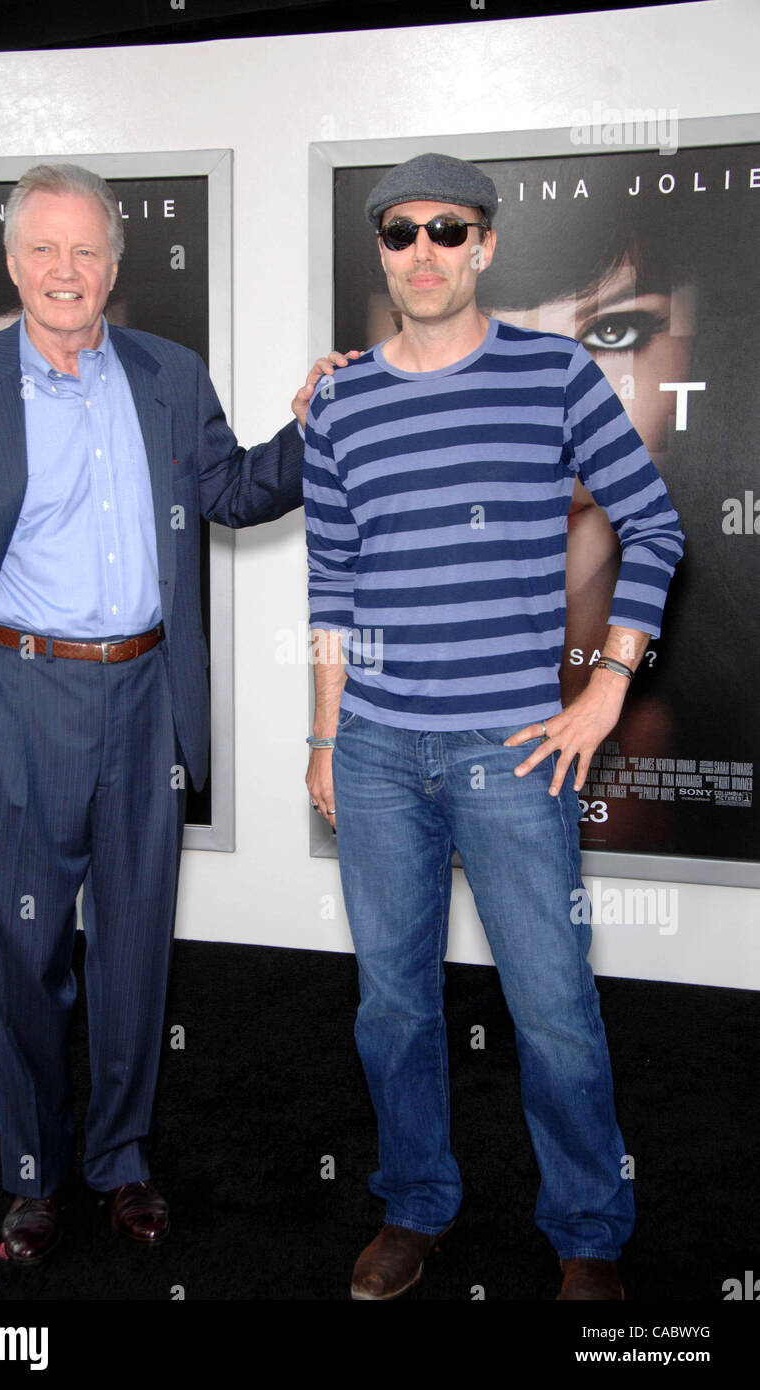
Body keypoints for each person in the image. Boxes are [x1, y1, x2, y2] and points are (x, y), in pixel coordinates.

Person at [0, 161, 352, 1264]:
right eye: (43, 250)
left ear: (115, 265)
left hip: (145, 697)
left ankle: (122, 1161)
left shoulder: (165, 373)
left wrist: (313, 423)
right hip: (13, 698)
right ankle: (30, 1176)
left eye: (86, 251)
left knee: (135, 952)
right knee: (21, 955)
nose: (66, 271)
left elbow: (233, 493)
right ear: (13, 264)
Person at [304, 153, 684, 1300]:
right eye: (401, 231)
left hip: (515, 751)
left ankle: (585, 1232)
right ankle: (414, 1203)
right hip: (372, 751)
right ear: (380, 250)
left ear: (484, 245)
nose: (424, 249)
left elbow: (653, 530)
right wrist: (325, 737)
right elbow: (332, 588)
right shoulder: (340, 400)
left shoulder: (556, 376)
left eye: (447, 228)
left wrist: (605, 689)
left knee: (553, 1006)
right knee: (391, 1006)